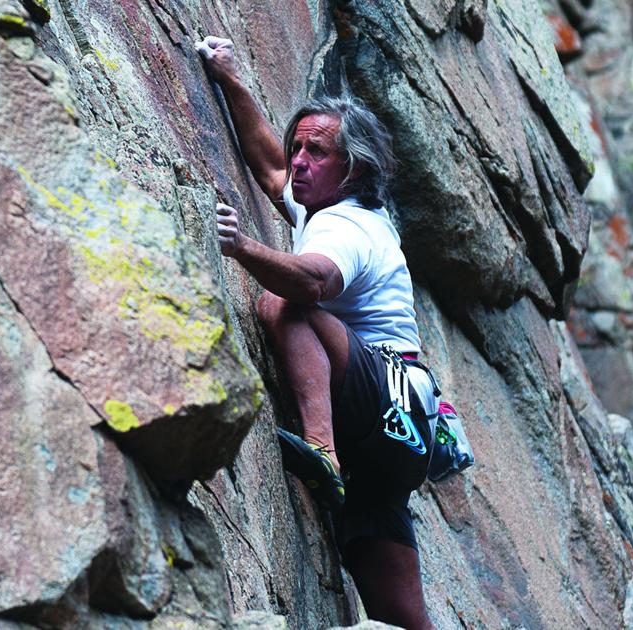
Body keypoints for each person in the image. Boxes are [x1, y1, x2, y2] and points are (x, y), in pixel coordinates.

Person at [195, 35, 439, 630]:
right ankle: (337, 465)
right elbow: (269, 165)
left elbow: (313, 281)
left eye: (317, 152)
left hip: (383, 403)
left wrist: (242, 247)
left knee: (284, 304)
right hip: (397, 442)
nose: (300, 160)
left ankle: (322, 452)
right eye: (299, 145)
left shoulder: (350, 225)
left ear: (353, 169)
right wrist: (231, 79)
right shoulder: (323, 203)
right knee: (401, 614)